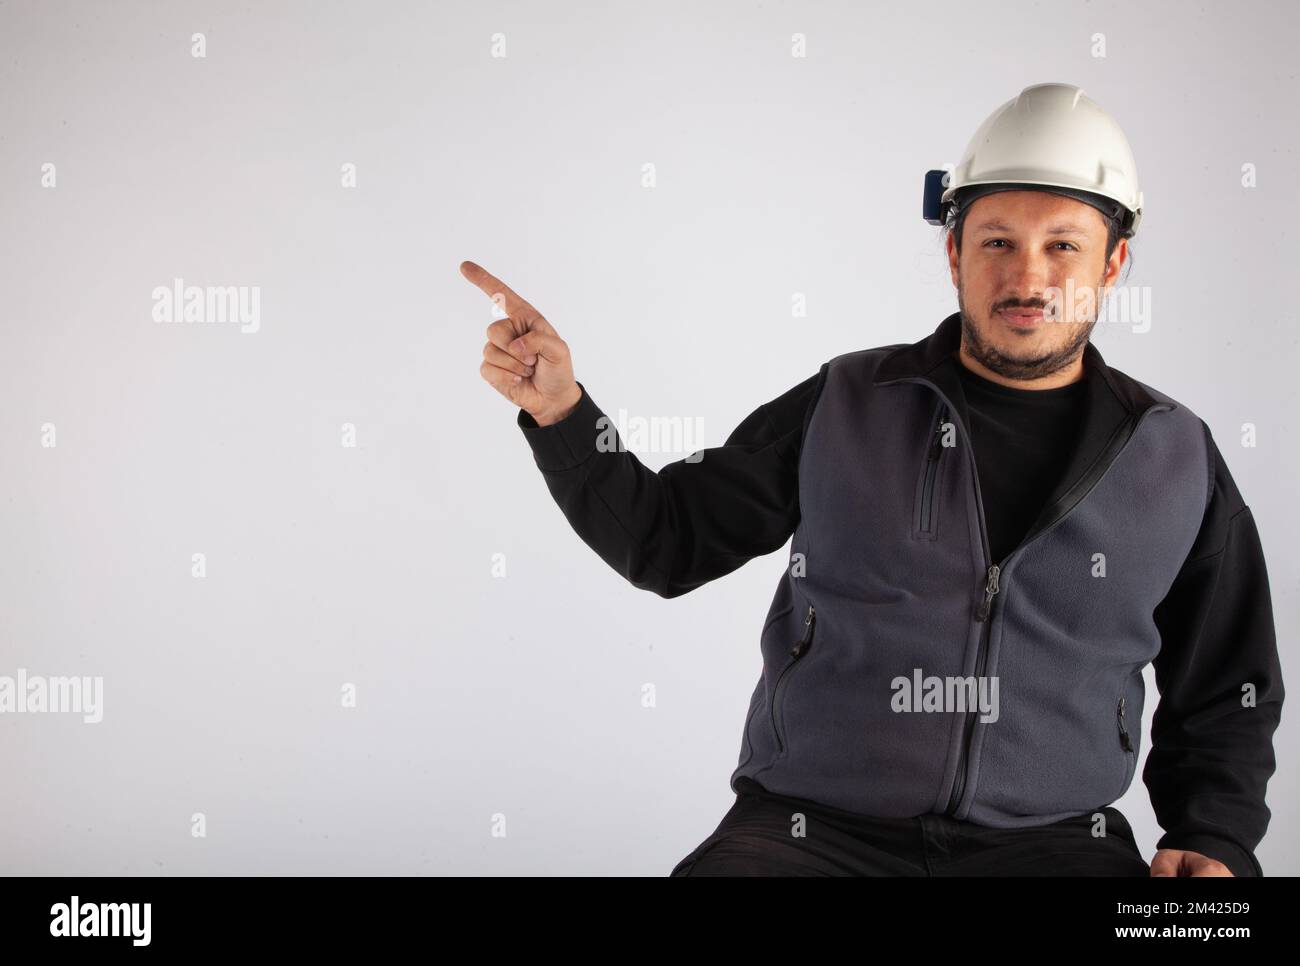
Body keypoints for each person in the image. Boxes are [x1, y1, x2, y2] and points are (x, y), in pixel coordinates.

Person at [463, 83, 1284, 877]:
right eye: (997, 240)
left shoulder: (1173, 456)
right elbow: (666, 542)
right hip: (806, 834)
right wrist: (563, 413)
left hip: (1056, 841)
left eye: (1063, 244)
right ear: (955, 252)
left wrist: (1216, 833)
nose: (1029, 277)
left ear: (1113, 264)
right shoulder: (846, 403)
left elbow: (1229, 683)